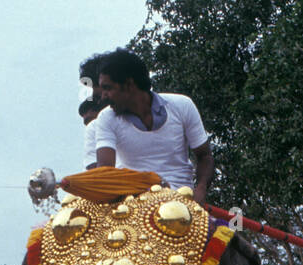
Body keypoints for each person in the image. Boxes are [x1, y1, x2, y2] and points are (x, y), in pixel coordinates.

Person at [90, 47, 213, 202]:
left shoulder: (182, 105)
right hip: (133, 207)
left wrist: (200, 190)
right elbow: (105, 172)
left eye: (108, 88)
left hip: (182, 204)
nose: (103, 96)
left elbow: (204, 156)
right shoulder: (106, 118)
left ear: (129, 85)